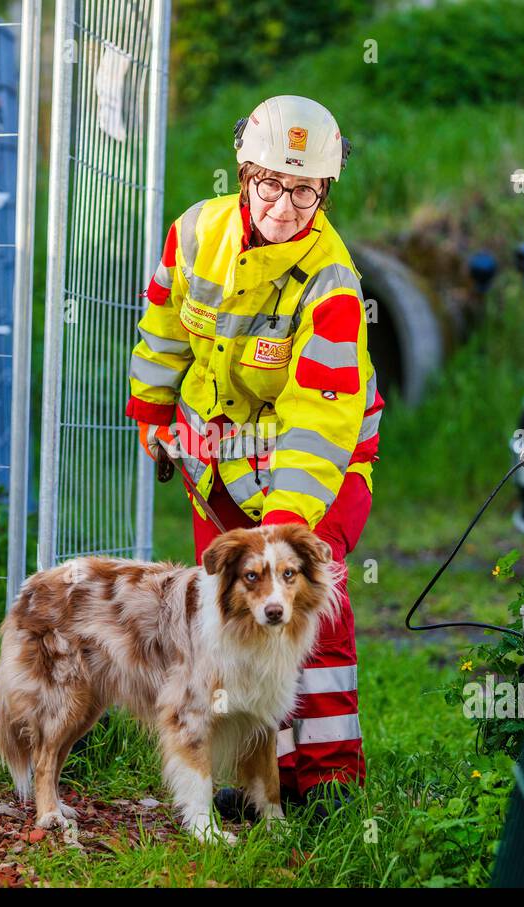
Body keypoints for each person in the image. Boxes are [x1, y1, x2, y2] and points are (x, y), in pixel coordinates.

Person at [124, 94, 384, 821]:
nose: (284, 203)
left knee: (308, 606)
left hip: (317, 469)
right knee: (230, 617)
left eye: (304, 189)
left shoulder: (331, 282)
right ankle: (256, 778)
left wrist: (284, 531)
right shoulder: (195, 233)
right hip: (221, 464)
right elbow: (166, 329)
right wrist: (150, 408)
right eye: (270, 182)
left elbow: (318, 418)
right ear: (243, 173)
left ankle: (328, 779)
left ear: (325, 191)